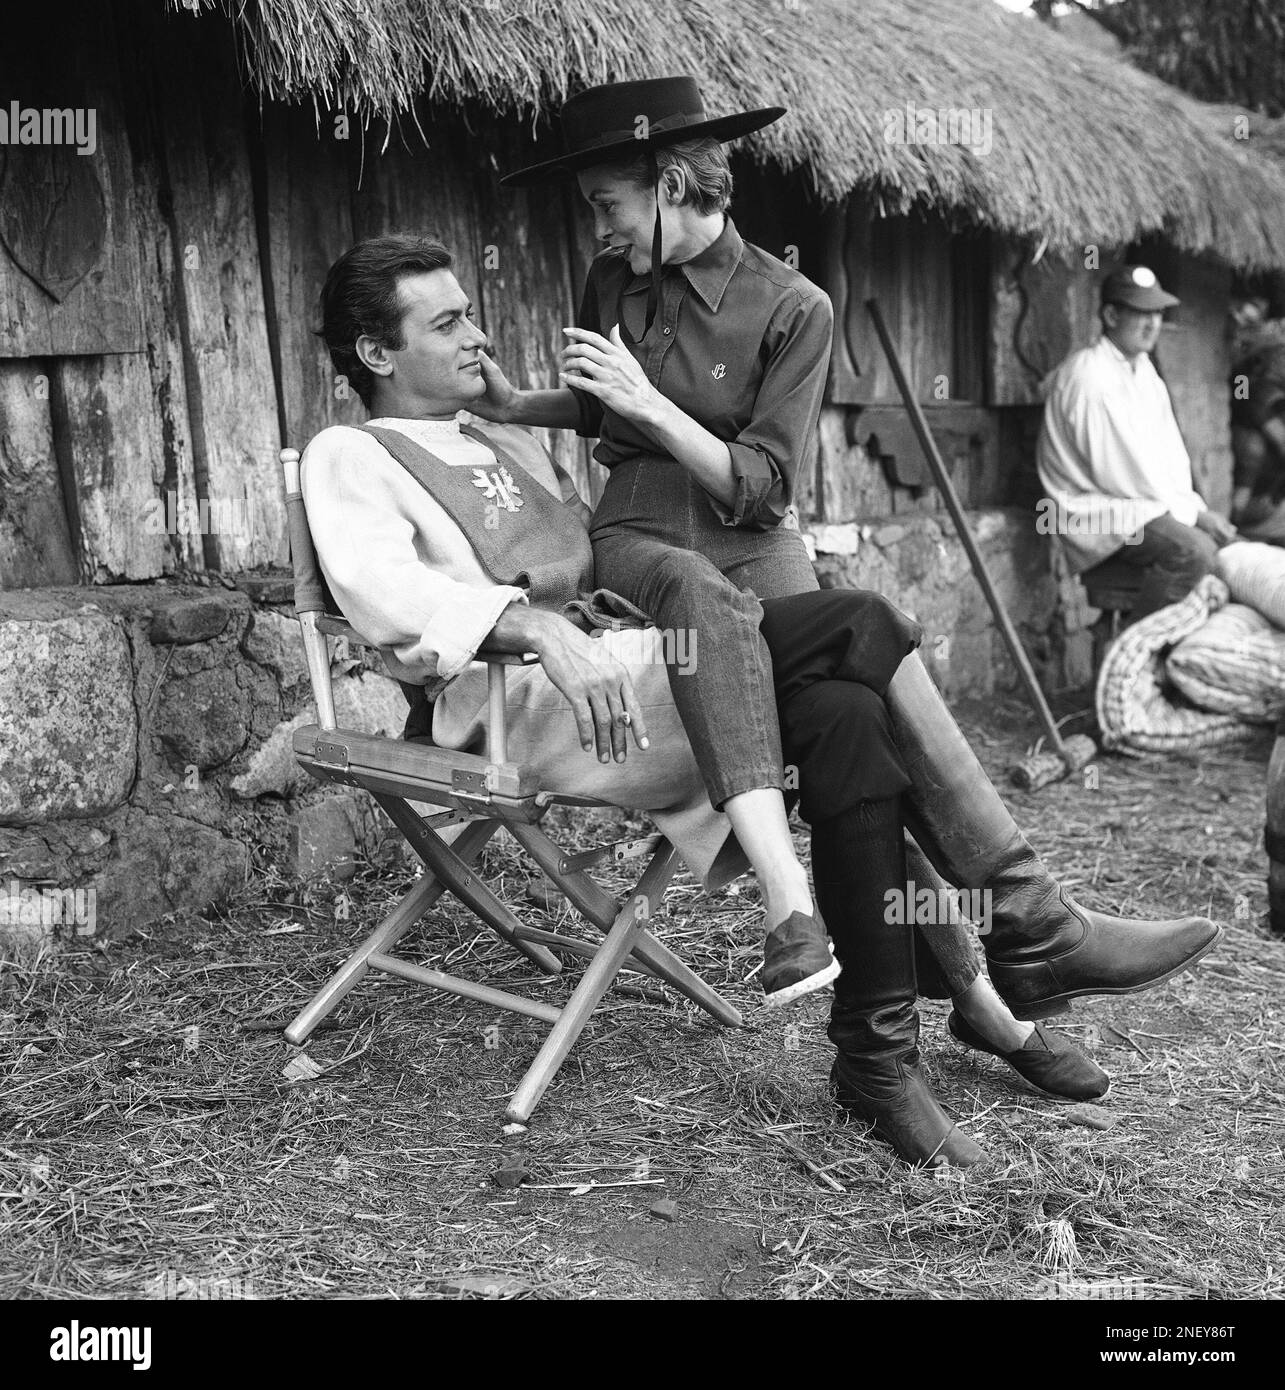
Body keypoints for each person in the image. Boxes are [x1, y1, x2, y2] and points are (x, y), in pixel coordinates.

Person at [305, 234, 1219, 1167]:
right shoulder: (350, 455)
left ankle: (876, 1056)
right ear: (376, 353)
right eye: (447, 321)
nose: (477, 335)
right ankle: (1027, 925)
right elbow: (382, 593)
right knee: (859, 623)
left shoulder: (492, 437)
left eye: (471, 312)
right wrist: (534, 628)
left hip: (628, 678)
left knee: (843, 717)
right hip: (519, 708)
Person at [479, 81, 1221, 1129]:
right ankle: (1011, 959)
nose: (595, 226)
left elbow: (764, 484)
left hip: (757, 545)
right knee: (862, 662)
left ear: (675, 181)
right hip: (646, 543)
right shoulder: (615, 277)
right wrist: (527, 405)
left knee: (852, 724)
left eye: (608, 201)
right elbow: (604, 406)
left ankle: (910, 1039)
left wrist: (653, 404)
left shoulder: (795, 306)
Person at [1037, 264, 1238, 620]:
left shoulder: (1143, 370)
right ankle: (1133, 655)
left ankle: (1171, 651)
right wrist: (1193, 516)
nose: (1153, 324)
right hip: (1093, 512)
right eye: (1141, 313)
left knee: (1227, 550)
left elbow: (1169, 457)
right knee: (1193, 552)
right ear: (1111, 315)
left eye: (1158, 313)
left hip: (1135, 503)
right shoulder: (1090, 378)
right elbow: (1124, 473)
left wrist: (1192, 506)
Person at [1229, 294, 1285, 545]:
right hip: (1245, 413)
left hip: (1260, 407)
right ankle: (1235, 518)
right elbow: (1248, 397)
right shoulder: (1266, 352)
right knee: (1252, 450)